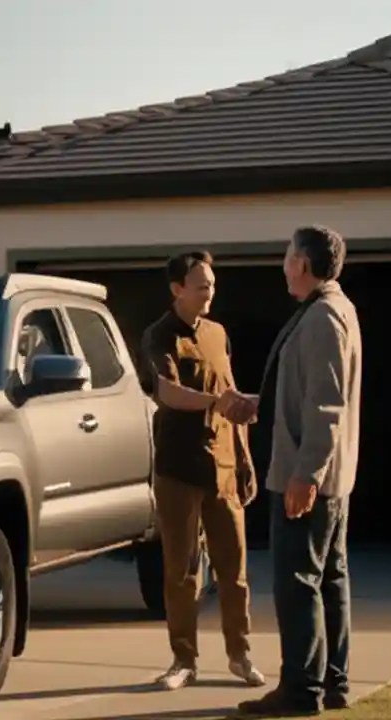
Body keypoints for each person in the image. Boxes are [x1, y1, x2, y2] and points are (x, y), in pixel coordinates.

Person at [233, 225, 362, 718]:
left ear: (303, 265)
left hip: (310, 478)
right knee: (329, 577)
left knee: (298, 582)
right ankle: (333, 684)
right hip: (329, 476)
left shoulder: (324, 318)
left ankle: (301, 691)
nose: (284, 264)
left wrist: (305, 475)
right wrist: (257, 404)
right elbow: (309, 393)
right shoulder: (333, 310)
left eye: (287, 256)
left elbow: (326, 405)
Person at [140, 250, 266, 692]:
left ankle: (241, 654)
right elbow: (169, 392)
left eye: (211, 283)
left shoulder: (218, 333)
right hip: (178, 469)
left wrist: (246, 458)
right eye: (200, 284)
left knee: (234, 570)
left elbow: (231, 393)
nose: (209, 291)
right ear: (177, 289)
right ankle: (183, 660)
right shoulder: (159, 337)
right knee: (181, 572)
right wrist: (213, 402)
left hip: (225, 467)